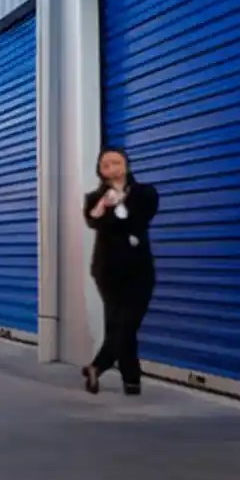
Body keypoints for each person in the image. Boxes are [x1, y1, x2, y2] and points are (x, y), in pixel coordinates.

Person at [82, 148, 159, 396]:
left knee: (128, 322)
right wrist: (104, 205)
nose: (112, 167)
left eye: (116, 162)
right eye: (105, 164)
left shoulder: (145, 193)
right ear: (100, 170)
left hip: (139, 268)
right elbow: (93, 221)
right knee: (118, 322)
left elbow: (143, 217)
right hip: (108, 270)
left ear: (126, 165)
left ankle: (97, 366)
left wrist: (122, 204)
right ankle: (131, 379)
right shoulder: (94, 197)